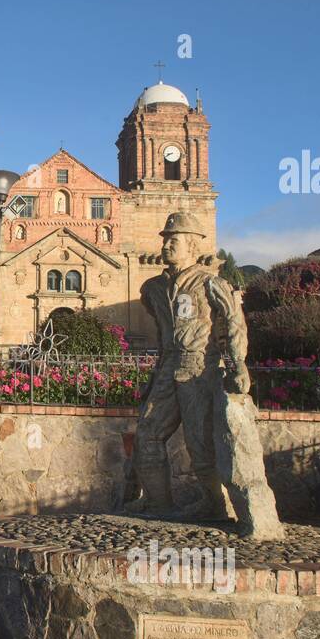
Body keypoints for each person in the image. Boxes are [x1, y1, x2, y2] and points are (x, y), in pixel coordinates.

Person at [125, 212, 246, 521]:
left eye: (173, 240)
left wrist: (236, 364)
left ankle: (217, 506)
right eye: (165, 240)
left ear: (192, 246)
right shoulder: (152, 288)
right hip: (167, 368)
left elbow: (232, 322)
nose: (166, 246)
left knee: (200, 445)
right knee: (147, 434)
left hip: (198, 369)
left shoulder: (210, 283)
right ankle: (159, 504)